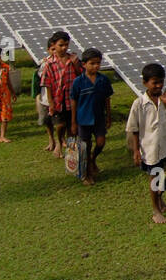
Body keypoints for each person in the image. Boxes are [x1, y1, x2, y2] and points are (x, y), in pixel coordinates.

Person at [125, 63, 166, 223]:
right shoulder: (139, 104)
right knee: (155, 177)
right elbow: (134, 129)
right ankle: (156, 210)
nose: (158, 86)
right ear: (145, 83)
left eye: (161, 82)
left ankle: (158, 195)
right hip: (150, 147)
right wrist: (136, 150)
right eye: (154, 82)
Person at [70, 48, 113, 186]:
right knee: (85, 147)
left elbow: (107, 98)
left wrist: (108, 116)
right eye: (92, 63)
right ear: (84, 64)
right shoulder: (78, 82)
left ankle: (93, 159)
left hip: (98, 118)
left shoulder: (103, 80)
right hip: (83, 119)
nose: (96, 66)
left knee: (101, 142)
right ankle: (86, 174)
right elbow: (74, 102)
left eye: (98, 63)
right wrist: (73, 122)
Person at [39, 31, 81, 158]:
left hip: (72, 100)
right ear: (54, 45)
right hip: (58, 100)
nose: (64, 48)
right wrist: (51, 103)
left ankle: (71, 153)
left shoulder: (73, 60)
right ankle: (59, 141)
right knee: (60, 124)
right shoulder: (50, 63)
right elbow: (47, 83)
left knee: (72, 127)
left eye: (66, 45)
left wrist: (75, 64)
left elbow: (81, 76)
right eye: (61, 45)